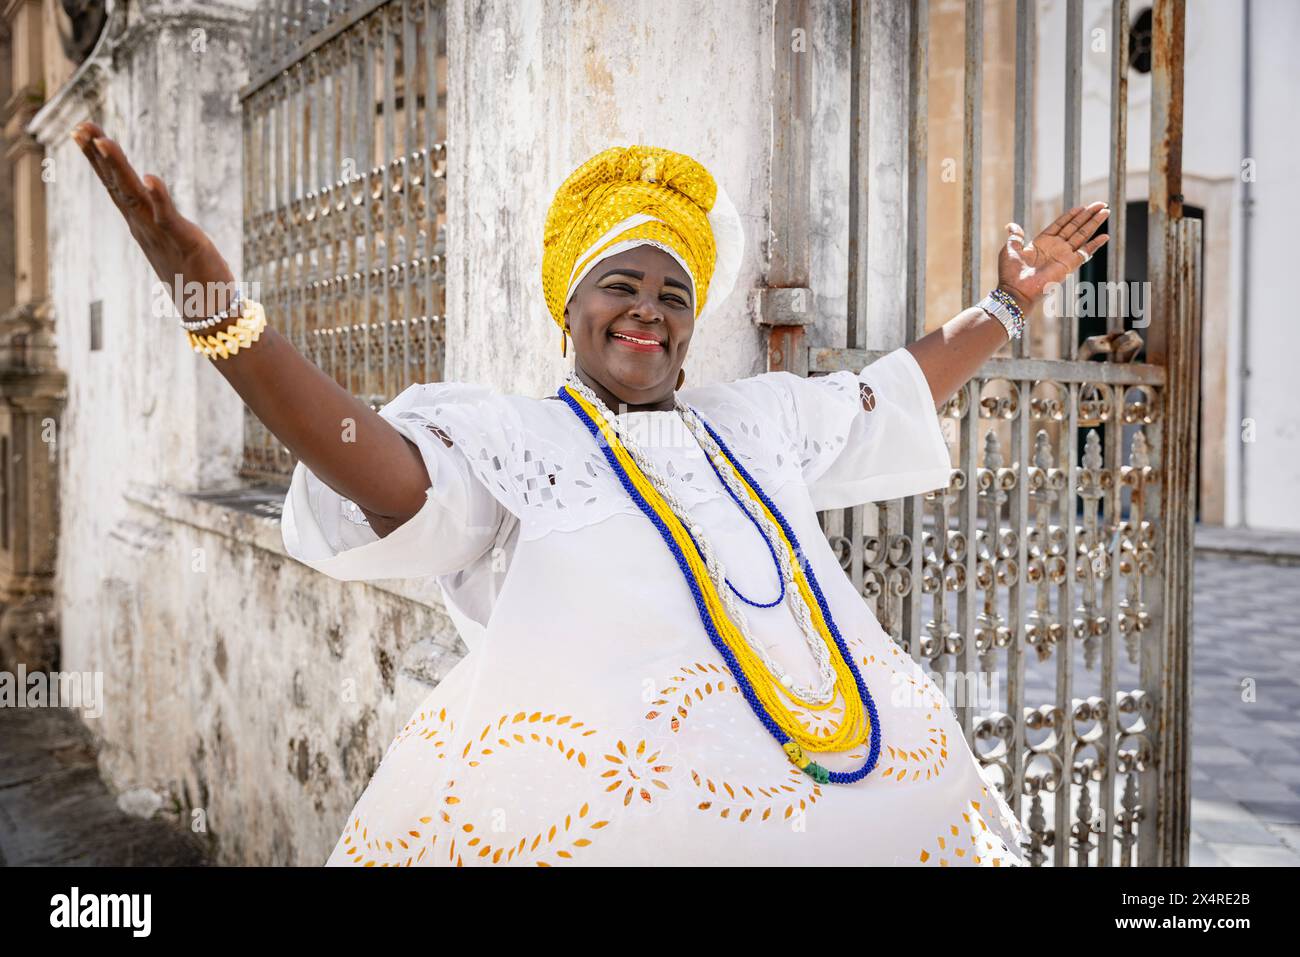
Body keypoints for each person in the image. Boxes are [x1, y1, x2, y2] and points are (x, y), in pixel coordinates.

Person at [72, 125, 1108, 867]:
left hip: (846, 778)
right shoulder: (519, 439)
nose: (647, 312)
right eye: (622, 286)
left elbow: (890, 387)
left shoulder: (752, 422)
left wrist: (1007, 304)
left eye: (672, 295)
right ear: (570, 305)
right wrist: (221, 317)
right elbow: (373, 463)